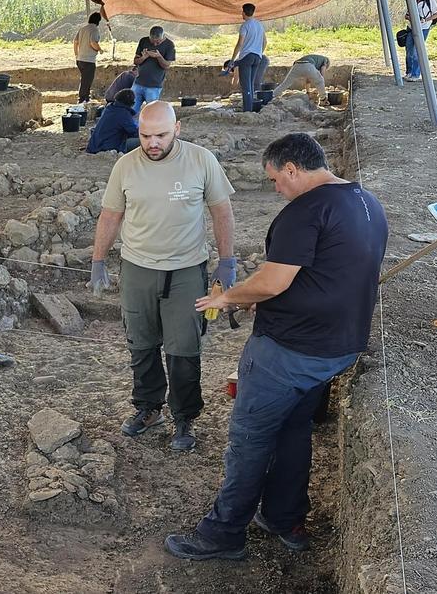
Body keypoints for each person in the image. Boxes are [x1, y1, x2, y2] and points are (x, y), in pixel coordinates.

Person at [164, 132, 387, 561]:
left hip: (290, 351)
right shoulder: (365, 203)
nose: (276, 189)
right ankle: (284, 518)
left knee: (250, 438)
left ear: (291, 168)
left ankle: (223, 534)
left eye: (275, 179)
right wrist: (259, 299)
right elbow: (325, 274)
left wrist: (228, 297)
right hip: (336, 347)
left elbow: (273, 281)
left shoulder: (306, 211)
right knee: (292, 429)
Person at [90, 101, 236, 451]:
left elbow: (221, 211)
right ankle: (148, 407)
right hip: (138, 268)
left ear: (178, 129)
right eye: (145, 135)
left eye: (160, 135)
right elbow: (111, 216)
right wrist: (98, 260)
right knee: (140, 343)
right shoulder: (126, 166)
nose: (152, 142)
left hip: (186, 269)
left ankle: (184, 417)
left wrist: (226, 260)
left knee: (183, 348)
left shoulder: (201, 161)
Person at [229, 3, 267, 112]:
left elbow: (240, 43)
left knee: (246, 87)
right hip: (257, 57)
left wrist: (233, 59)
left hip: (246, 57)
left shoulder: (245, 26)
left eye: (242, 12)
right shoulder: (259, 25)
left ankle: (247, 111)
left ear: (244, 13)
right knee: (251, 85)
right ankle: (250, 109)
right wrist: (259, 52)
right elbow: (265, 41)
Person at [132, 27, 176, 113]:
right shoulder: (143, 41)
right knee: (131, 110)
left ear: (163, 37)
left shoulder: (169, 45)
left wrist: (159, 57)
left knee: (151, 113)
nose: (155, 44)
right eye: (153, 42)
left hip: (154, 86)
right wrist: (144, 57)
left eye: (158, 42)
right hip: (138, 83)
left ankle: (149, 127)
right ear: (149, 37)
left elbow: (166, 66)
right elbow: (136, 61)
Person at [403, 0, 437, 82]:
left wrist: (425, 20)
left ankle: (416, 74)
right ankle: (409, 72)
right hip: (411, 28)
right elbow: (407, 14)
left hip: (423, 28)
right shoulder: (413, 0)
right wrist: (409, 17)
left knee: (416, 51)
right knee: (409, 50)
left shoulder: (430, 0)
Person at [87, 89, 139, 155]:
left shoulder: (109, 107)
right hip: (106, 147)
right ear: (132, 103)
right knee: (144, 140)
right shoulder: (123, 113)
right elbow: (134, 132)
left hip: (94, 145)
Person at [74, 12, 103, 103]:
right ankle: (82, 99)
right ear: (98, 21)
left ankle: (85, 97)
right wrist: (100, 49)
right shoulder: (94, 30)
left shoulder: (82, 29)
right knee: (87, 81)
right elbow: (93, 43)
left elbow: (75, 42)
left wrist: (76, 54)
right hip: (88, 61)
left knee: (84, 80)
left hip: (80, 60)